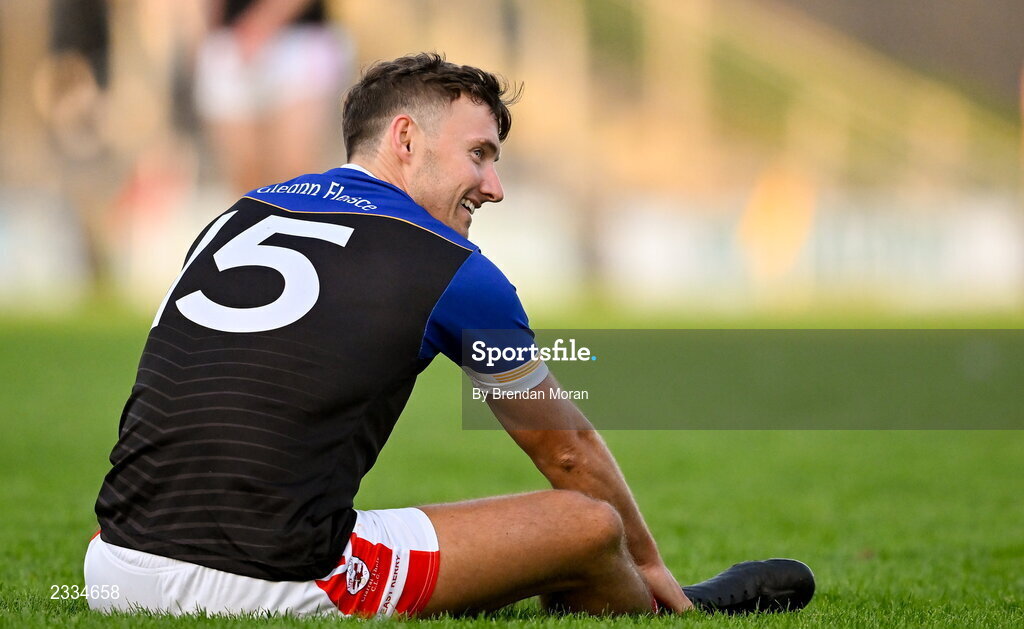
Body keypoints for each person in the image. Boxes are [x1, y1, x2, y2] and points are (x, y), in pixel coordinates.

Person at [85, 53, 813, 617]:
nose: (494, 186)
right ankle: (662, 601)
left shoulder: (239, 214)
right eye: (480, 154)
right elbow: (565, 447)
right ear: (405, 139)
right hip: (269, 578)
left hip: (112, 563)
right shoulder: (451, 266)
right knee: (588, 526)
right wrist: (648, 560)